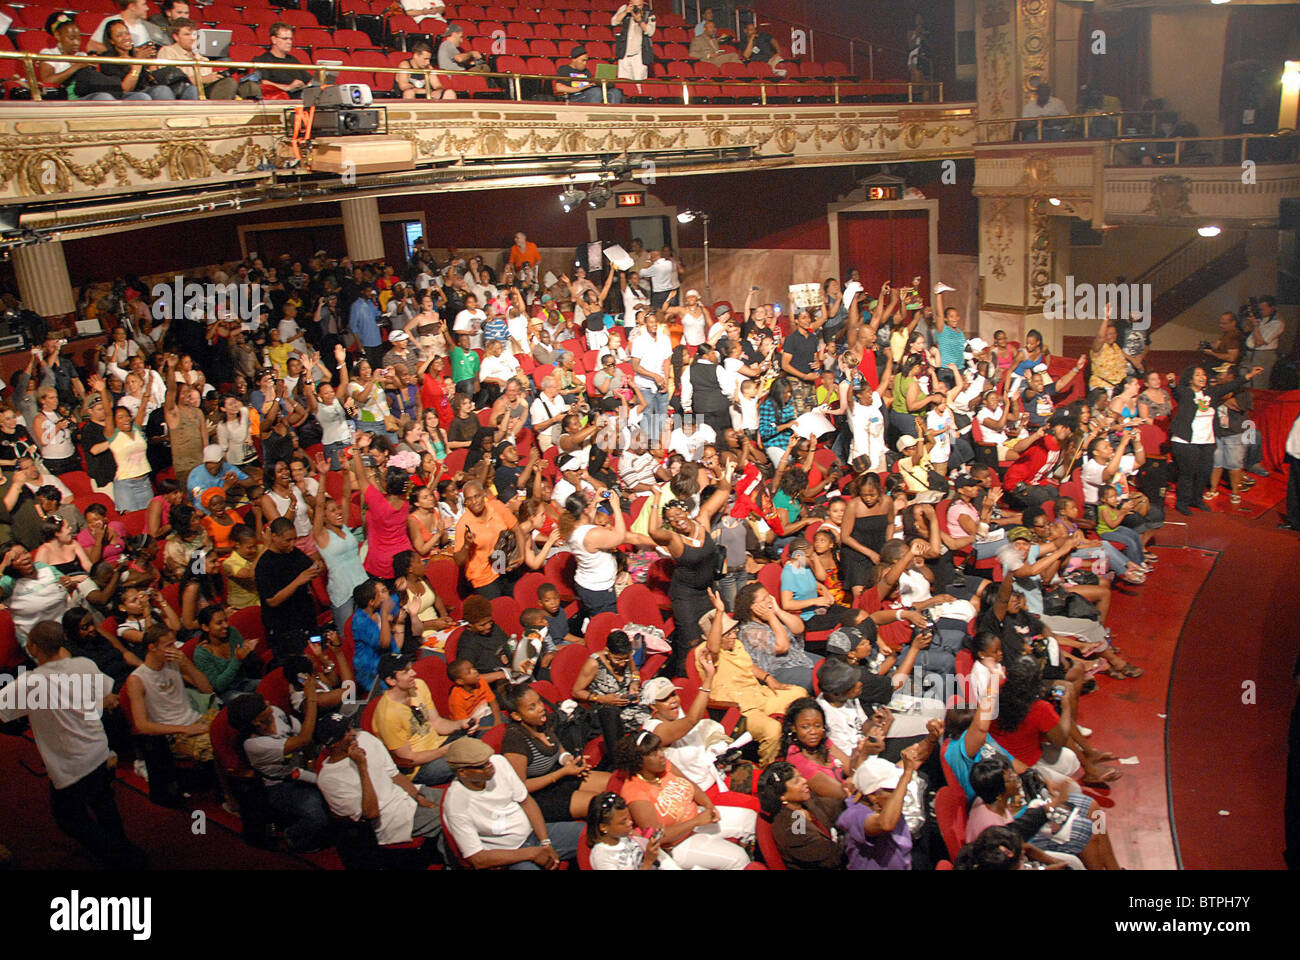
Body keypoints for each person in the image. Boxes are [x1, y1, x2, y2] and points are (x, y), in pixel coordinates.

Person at [0, 620, 147, 868]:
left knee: (69, 819)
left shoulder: (29, 684)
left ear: (33, 647)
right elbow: (108, 697)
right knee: (104, 806)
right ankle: (124, 850)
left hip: (71, 765)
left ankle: (123, 858)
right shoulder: (84, 665)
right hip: (98, 750)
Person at [614, 731, 753, 870]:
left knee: (751, 819)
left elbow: (689, 784)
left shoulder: (663, 766)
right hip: (677, 844)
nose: (661, 754)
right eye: (653, 753)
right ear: (638, 762)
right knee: (739, 858)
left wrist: (709, 805)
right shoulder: (635, 792)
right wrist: (696, 822)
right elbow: (657, 838)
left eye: (659, 748)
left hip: (697, 818)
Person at [697, 590, 807, 765]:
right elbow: (714, 647)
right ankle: (768, 767)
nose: (734, 636)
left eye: (735, 631)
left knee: (799, 694)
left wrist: (768, 677)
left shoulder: (736, 645)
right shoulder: (706, 653)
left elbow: (748, 664)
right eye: (729, 634)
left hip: (758, 694)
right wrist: (719, 612)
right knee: (772, 729)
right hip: (739, 709)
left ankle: (793, 750)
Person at [442, 736, 584, 869]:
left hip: (534, 834)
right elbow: (477, 858)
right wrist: (532, 853)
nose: (490, 766)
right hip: (510, 855)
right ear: (463, 772)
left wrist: (545, 843)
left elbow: (527, 801)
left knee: (594, 834)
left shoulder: (498, 762)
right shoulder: (455, 805)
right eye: (482, 765)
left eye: (488, 760)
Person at [314, 712, 443, 849]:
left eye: (351, 727)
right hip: (391, 819)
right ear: (333, 743)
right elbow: (371, 813)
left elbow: (394, 774)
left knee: (461, 799)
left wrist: (418, 796)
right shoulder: (329, 779)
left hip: (408, 795)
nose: (353, 733)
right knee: (452, 817)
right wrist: (362, 767)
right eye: (346, 732)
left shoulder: (365, 738)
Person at [227, 688, 331, 854]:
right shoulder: (254, 745)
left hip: (304, 768)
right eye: (263, 706)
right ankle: (294, 837)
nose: (268, 703)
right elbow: (302, 739)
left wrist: (312, 761)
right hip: (282, 786)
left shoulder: (275, 712)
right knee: (318, 813)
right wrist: (311, 701)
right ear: (256, 721)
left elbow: (305, 735)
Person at [498, 683, 612, 820]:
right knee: (604, 806)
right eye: (532, 707)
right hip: (540, 796)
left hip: (559, 777)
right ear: (517, 716)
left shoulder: (541, 723)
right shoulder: (515, 740)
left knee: (615, 784)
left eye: (539, 702)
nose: (541, 708)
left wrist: (568, 759)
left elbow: (558, 749)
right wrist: (562, 773)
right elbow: (521, 786)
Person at [1169, 364, 1261, 516]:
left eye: (1204, 375)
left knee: (1204, 472)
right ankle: (1183, 502)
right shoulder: (1185, 393)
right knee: (1188, 473)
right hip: (1186, 441)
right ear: (1191, 379)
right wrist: (1172, 382)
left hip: (1207, 442)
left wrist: (1249, 376)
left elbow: (1232, 385)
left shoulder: (1211, 393)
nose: (1202, 377)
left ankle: (1197, 499)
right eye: (1198, 375)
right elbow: (1175, 390)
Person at [372, 654, 472, 786]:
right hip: (421, 767)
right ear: (391, 681)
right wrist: (445, 751)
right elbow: (408, 758)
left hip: (440, 744)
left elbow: (436, 722)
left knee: (480, 736)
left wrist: (460, 724)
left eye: (411, 668)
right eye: (406, 672)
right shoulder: (387, 715)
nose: (414, 673)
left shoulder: (418, 686)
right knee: (472, 755)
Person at [253, 517, 323, 661]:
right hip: (286, 629)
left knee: (318, 654)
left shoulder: (293, 552)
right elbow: (272, 601)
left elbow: (309, 565)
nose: (292, 544)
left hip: (307, 620)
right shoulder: (264, 565)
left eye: (294, 539)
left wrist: (317, 566)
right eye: (287, 540)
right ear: (274, 536)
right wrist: (298, 581)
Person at [756, 761, 846, 869]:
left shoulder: (802, 802)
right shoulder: (792, 829)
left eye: (801, 776)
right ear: (782, 795)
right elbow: (833, 857)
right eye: (797, 781)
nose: (804, 781)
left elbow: (834, 808)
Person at [585, 792, 679, 869]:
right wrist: (648, 862)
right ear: (604, 827)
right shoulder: (602, 857)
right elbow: (647, 860)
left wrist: (654, 839)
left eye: (628, 818)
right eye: (623, 822)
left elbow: (645, 845)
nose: (630, 823)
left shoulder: (625, 835)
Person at [253, 23, 312, 98]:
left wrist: (305, 85)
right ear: (274, 40)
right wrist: (288, 87)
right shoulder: (263, 60)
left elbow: (308, 79)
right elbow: (262, 83)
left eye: (291, 39)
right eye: (285, 39)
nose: (289, 42)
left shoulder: (293, 60)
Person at [611, 0, 656, 81]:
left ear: (643, 4)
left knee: (639, 83)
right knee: (623, 82)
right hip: (624, 53)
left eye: (639, 5)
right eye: (633, 5)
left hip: (639, 55)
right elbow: (614, 22)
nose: (636, 8)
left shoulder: (648, 14)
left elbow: (650, 32)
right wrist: (625, 12)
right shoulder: (624, 8)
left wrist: (640, 21)